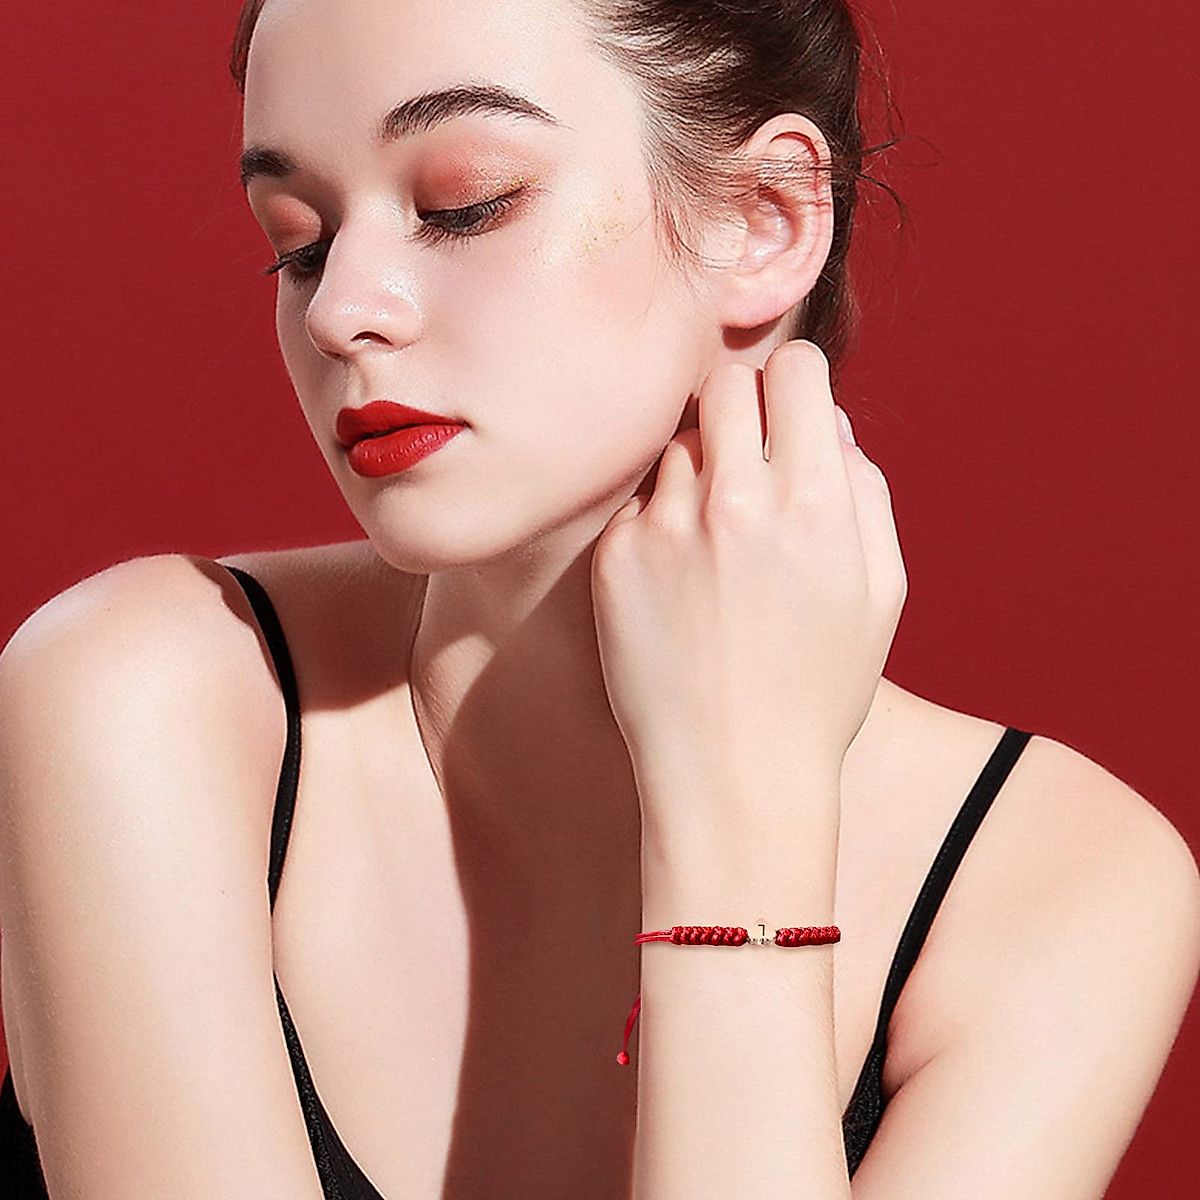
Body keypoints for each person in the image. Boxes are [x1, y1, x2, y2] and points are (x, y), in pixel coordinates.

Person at [1, 0, 1197, 1196]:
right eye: (299, 240)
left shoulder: (1059, 885)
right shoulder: (144, 702)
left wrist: (739, 822)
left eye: (464, 204)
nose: (340, 309)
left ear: (764, 218)